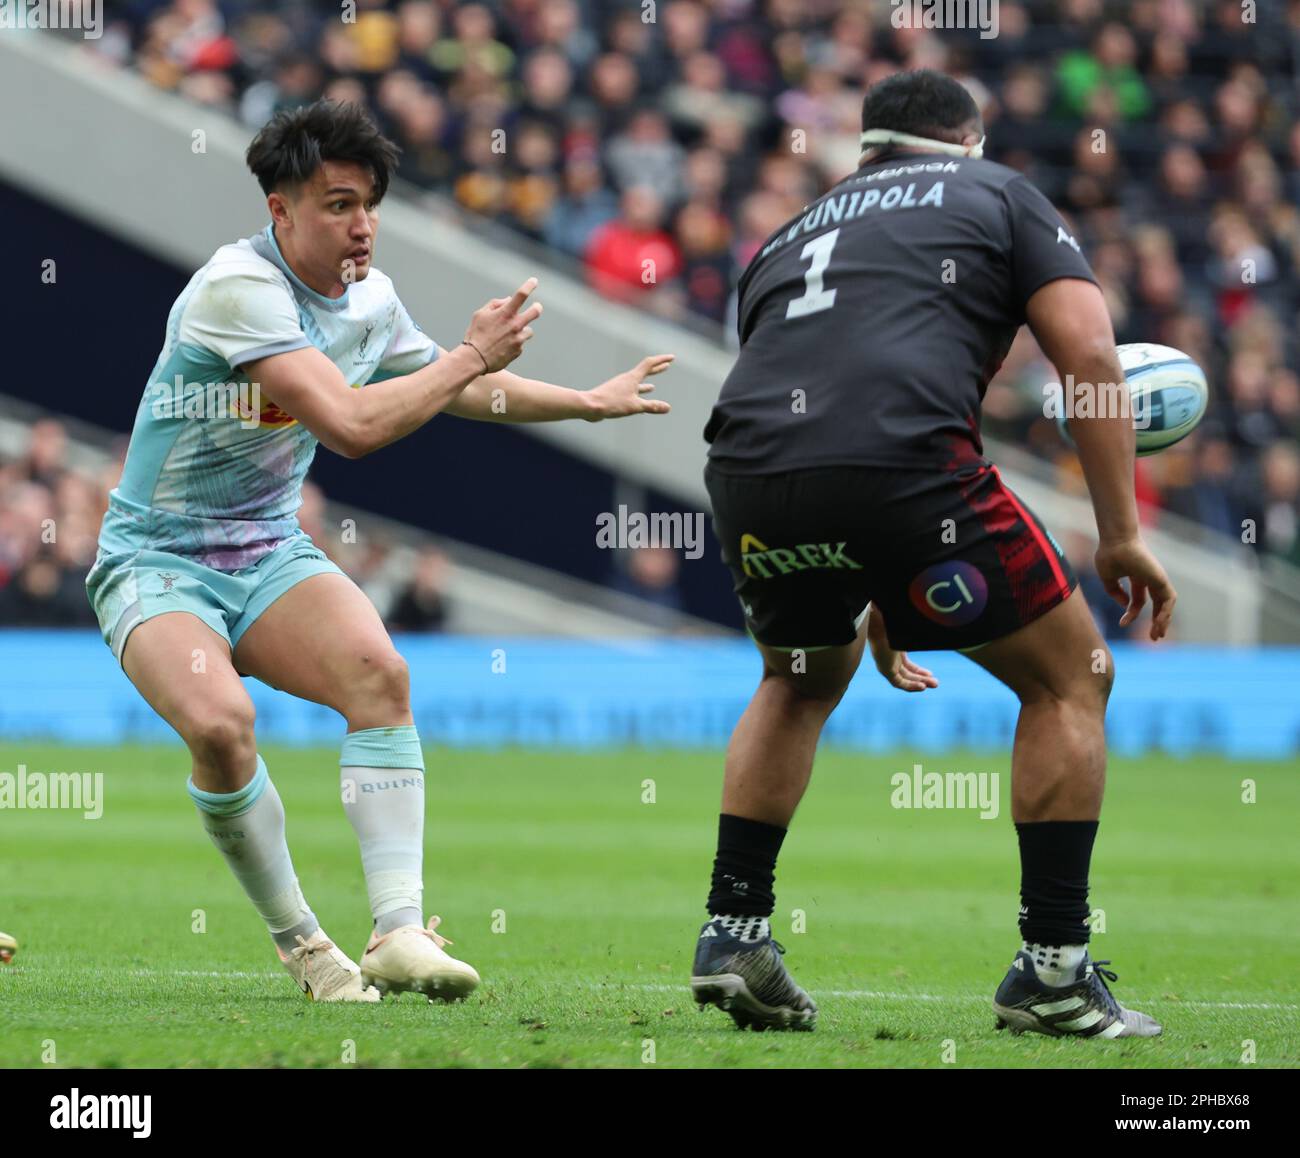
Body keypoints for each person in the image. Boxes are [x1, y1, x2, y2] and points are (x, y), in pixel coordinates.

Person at [85, 99, 673, 1003]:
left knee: (379, 678)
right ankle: (308, 950)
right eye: (336, 204)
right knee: (220, 726)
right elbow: (355, 425)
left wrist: (587, 402)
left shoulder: (370, 298)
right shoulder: (236, 288)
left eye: (369, 205)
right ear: (280, 210)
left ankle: (399, 934)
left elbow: (455, 387)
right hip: (158, 560)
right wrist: (470, 357)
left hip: (268, 551)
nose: (361, 225)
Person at [694, 70, 1175, 1038]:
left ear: (866, 146)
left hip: (747, 469)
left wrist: (878, 583)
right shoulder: (996, 193)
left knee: (795, 680)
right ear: (968, 140)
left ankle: (732, 931)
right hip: (902, 466)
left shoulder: (790, 230)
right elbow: (1086, 359)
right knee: (1069, 681)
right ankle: (1052, 969)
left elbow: (813, 378)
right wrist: (1121, 532)